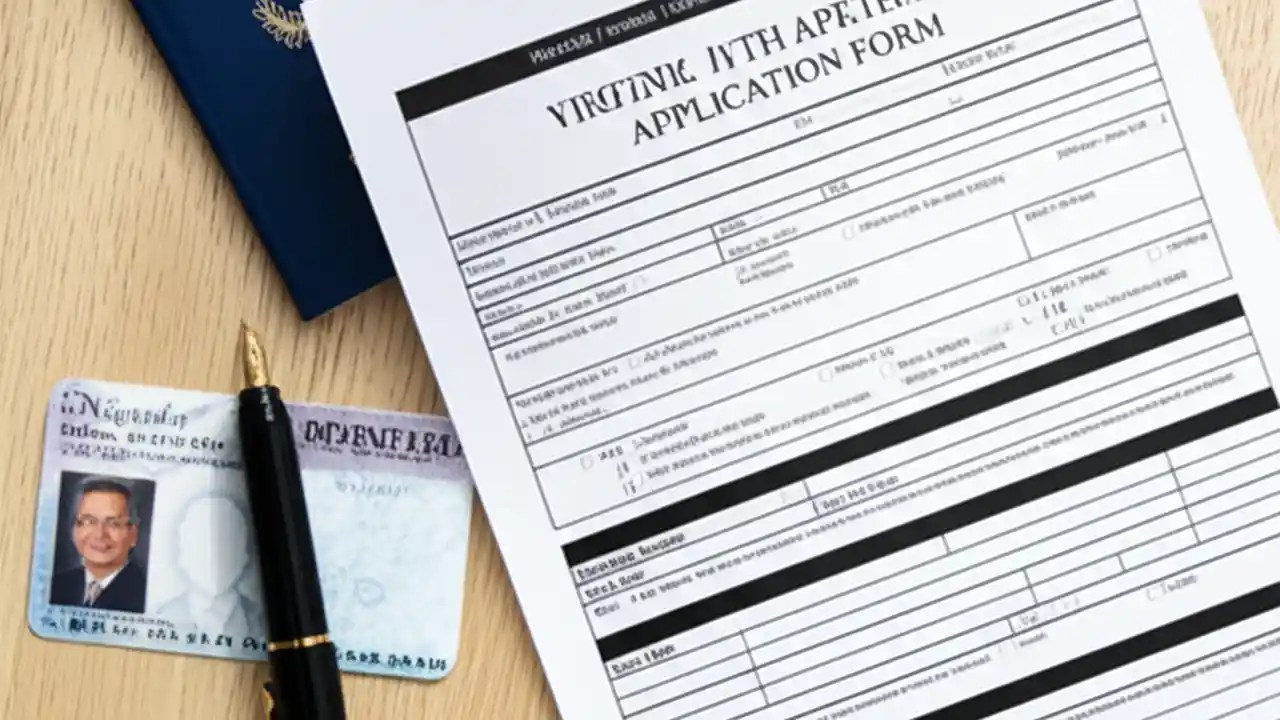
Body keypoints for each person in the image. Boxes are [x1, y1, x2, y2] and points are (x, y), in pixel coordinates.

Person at [49, 477, 148, 613]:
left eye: (114, 523)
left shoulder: (147, 594)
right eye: (89, 521)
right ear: (74, 530)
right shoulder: (56, 585)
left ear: (133, 534)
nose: (99, 534)